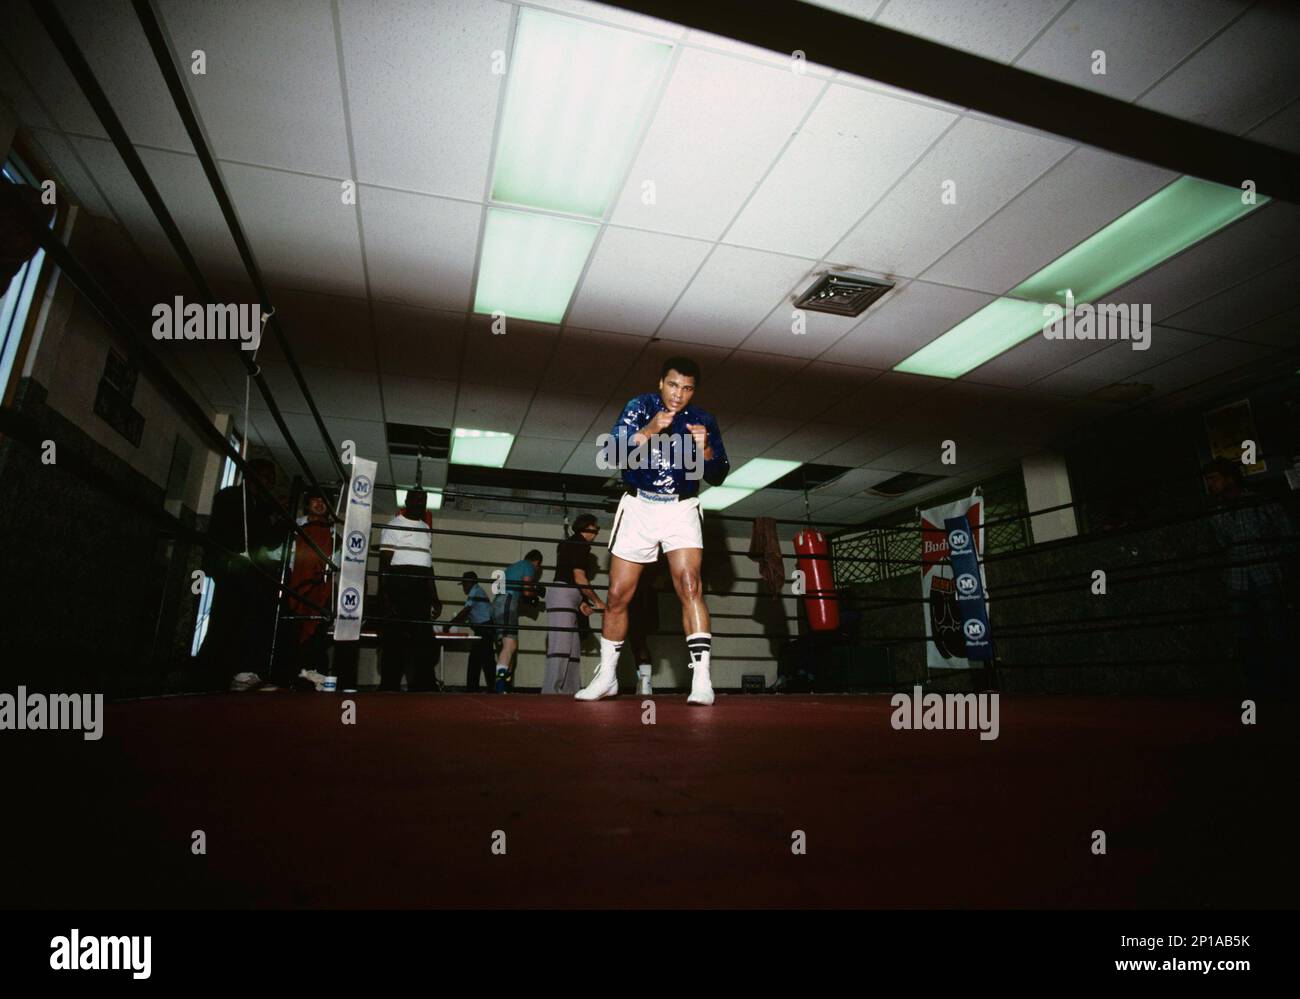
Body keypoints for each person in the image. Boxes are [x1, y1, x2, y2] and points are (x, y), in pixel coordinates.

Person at [576, 356, 729, 705]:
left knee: (690, 584)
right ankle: (608, 677)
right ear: (661, 382)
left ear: (694, 391)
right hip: (639, 505)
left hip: (681, 506)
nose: (679, 394)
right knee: (617, 594)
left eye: (687, 388)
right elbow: (611, 455)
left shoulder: (704, 420)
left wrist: (705, 448)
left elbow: (718, 475)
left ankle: (702, 680)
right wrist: (648, 431)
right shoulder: (639, 407)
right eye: (673, 385)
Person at [1204, 458, 1297, 695]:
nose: (1210, 485)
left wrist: (1273, 559)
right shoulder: (1218, 511)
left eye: (1214, 479)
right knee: (1246, 631)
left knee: (1274, 626)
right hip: (1240, 576)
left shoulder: (1259, 502)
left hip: (1261, 571)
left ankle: (1283, 681)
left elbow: (1287, 535)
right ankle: (1262, 682)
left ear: (1230, 479)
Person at [199, 457, 288, 691]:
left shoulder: (263, 506)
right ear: (251, 475)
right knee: (225, 620)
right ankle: (208, 675)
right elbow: (228, 532)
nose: (268, 482)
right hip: (232, 567)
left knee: (248, 620)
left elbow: (269, 540)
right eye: (265, 476)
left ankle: (240, 672)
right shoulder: (230, 497)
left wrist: (280, 519)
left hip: (251, 572)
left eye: (271, 479)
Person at [377, 487, 442, 692]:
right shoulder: (394, 526)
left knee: (424, 641)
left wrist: (434, 596)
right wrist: (385, 596)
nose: (419, 503)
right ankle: (389, 686)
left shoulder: (425, 528)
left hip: (420, 587)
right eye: (415, 499)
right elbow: (385, 564)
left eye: (423, 500)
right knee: (394, 639)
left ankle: (423, 686)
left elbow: (427, 565)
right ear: (406, 501)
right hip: (399, 585)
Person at [543, 515, 604, 695]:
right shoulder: (579, 545)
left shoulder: (569, 544)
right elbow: (579, 577)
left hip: (569, 595)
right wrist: (598, 601)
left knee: (573, 648)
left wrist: (582, 602)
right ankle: (550, 692)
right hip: (563, 594)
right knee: (560, 646)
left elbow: (569, 575)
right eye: (596, 529)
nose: (597, 533)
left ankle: (570, 690)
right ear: (589, 527)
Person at [283, 488, 335, 687]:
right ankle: (292, 675)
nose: (320, 504)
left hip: (321, 587)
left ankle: (314, 673)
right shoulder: (295, 526)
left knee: (318, 630)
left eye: (324, 501)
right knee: (293, 629)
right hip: (296, 584)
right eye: (316, 500)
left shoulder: (333, 531)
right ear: (307, 504)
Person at [492, 550, 544, 693]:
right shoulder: (528, 565)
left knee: (508, 647)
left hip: (498, 604)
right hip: (507, 602)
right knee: (510, 644)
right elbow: (527, 590)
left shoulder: (513, 567)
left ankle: (505, 686)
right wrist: (536, 592)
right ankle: (500, 685)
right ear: (537, 562)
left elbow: (519, 593)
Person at [444, 571, 496, 692]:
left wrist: (449, 624)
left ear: (470, 582)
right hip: (484, 628)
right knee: (481, 659)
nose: (463, 587)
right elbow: (470, 613)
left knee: (481, 659)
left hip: (484, 628)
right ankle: (480, 688)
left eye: (464, 584)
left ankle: (479, 688)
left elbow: (466, 610)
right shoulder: (478, 591)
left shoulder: (475, 592)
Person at [625, 558, 660, 696]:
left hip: (640, 597)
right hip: (638, 596)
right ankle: (644, 682)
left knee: (639, 641)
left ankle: (645, 683)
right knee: (636, 642)